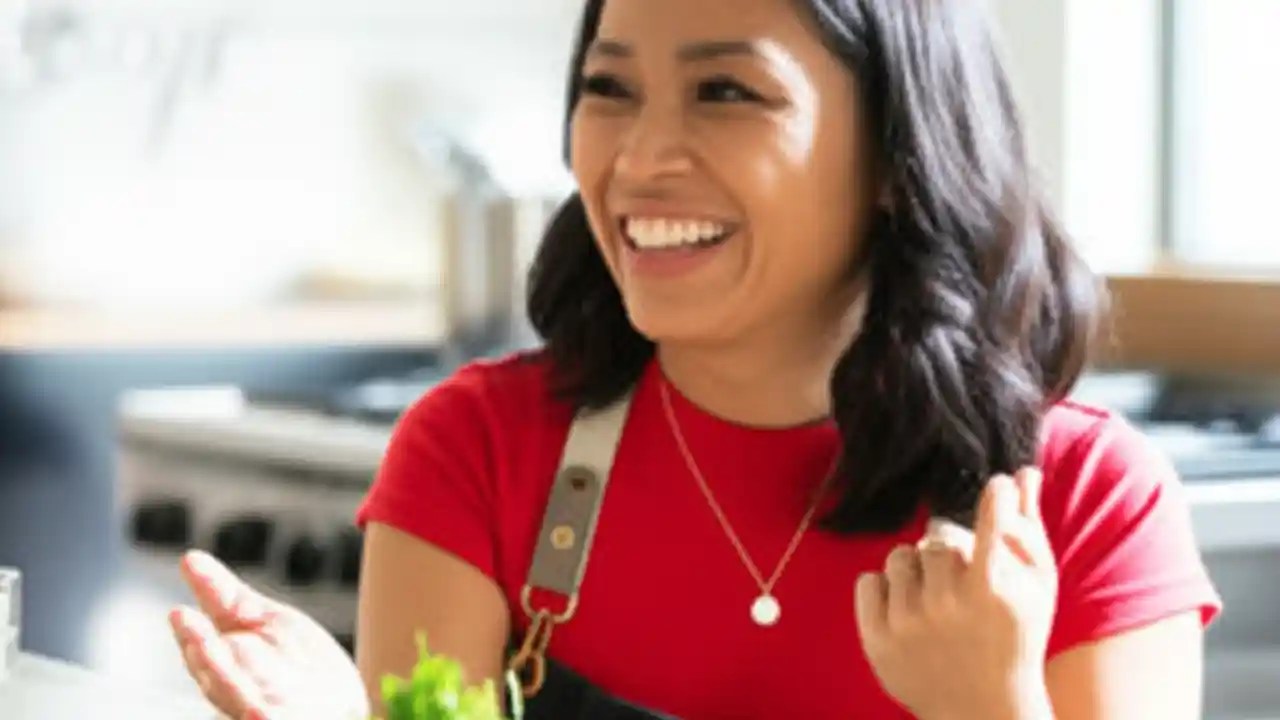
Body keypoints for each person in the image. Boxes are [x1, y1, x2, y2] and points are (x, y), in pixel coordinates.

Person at [167, 0, 1223, 718]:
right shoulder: (478, 451)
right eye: (609, 88)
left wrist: (991, 708)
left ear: (899, 157)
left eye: (725, 92)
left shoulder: (1087, 501)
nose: (638, 158)